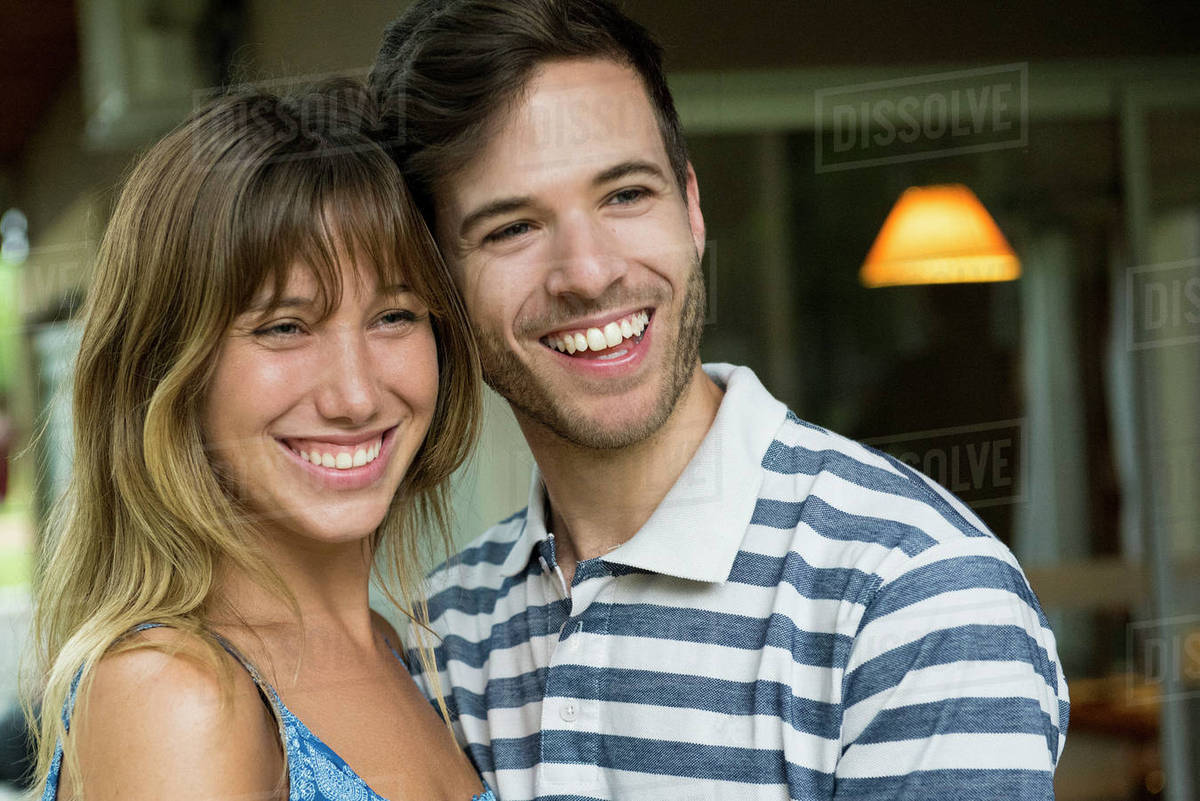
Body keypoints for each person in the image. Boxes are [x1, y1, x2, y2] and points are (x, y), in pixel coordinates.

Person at [369, 1, 1069, 799]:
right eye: (511, 229)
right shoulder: (442, 632)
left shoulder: (916, 597)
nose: (590, 272)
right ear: (436, 281)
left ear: (691, 208)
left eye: (626, 195)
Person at [28, 80, 495, 801]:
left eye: (395, 315)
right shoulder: (175, 694)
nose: (356, 395)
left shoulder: (406, 654)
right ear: (169, 370)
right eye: (285, 326)